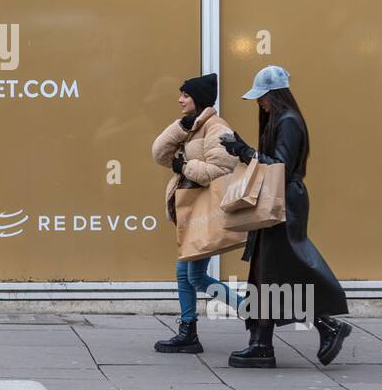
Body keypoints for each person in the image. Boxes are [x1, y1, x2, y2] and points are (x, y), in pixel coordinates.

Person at [219, 65, 352, 369]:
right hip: (280, 202)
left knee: (280, 270)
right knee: (267, 272)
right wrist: (246, 150)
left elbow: (279, 165)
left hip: (284, 204)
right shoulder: (282, 119)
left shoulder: (288, 122)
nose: (259, 102)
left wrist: (244, 151)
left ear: (276, 95)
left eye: (263, 96)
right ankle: (262, 343)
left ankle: (323, 326)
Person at [151, 73, 246, 354]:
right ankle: (189, 330)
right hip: (192, 208)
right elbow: (159, 154)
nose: (180, 100)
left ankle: (250, 311)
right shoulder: (193, 127)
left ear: (199, 99)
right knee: (187, 274)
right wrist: (180, 128)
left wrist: (184, 167)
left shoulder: (216, 129)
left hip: (206, 210)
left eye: (185, 95)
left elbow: (220, 171)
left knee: (192, 276)